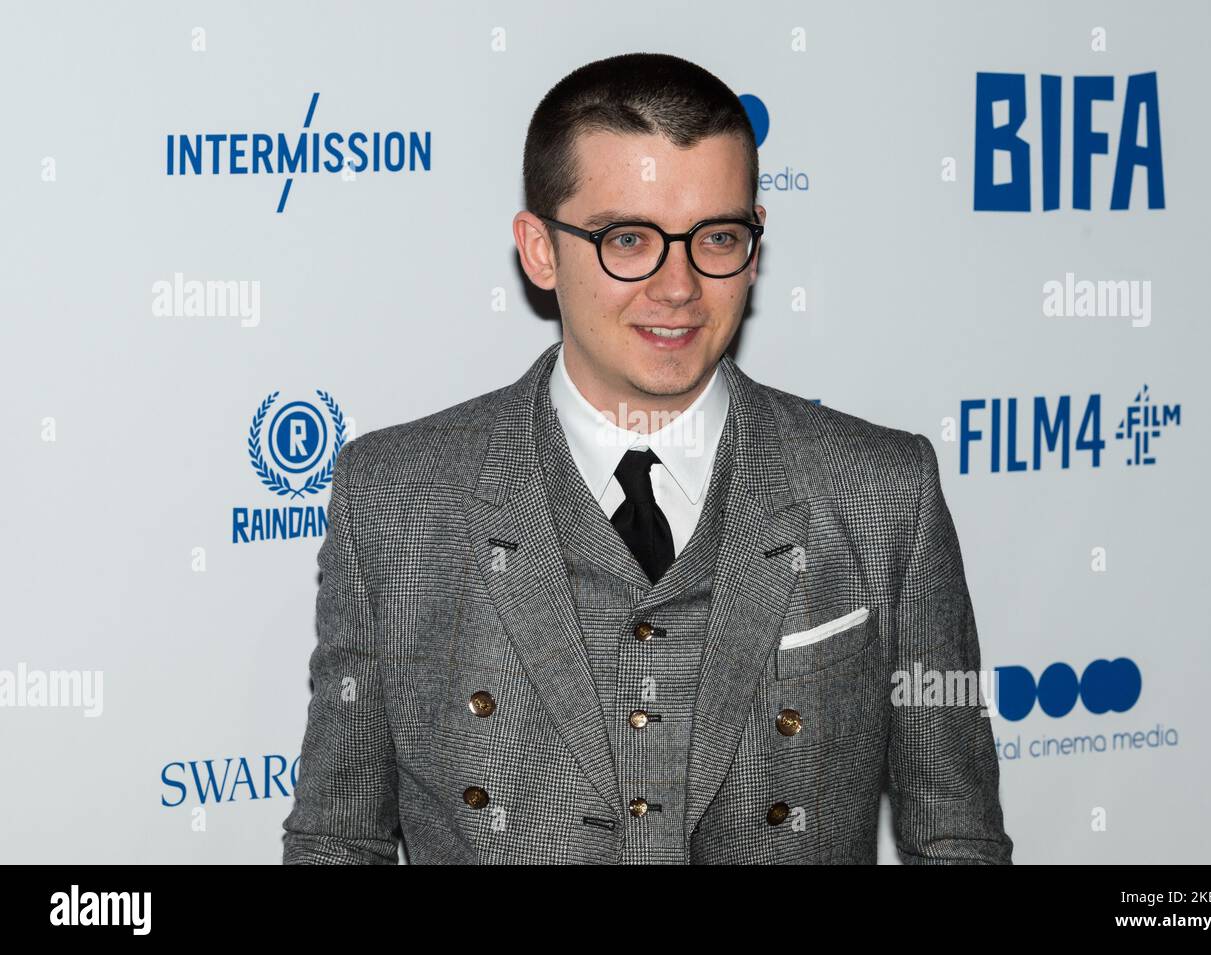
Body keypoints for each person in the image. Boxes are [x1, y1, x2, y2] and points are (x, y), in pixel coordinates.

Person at [282, 51, 1013, 864]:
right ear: (539, 250)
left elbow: (957, 838)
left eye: (717, 237)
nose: (679, 287)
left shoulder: (883, 493)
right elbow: (336, 839)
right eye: (628, 239)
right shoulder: (392, 499)